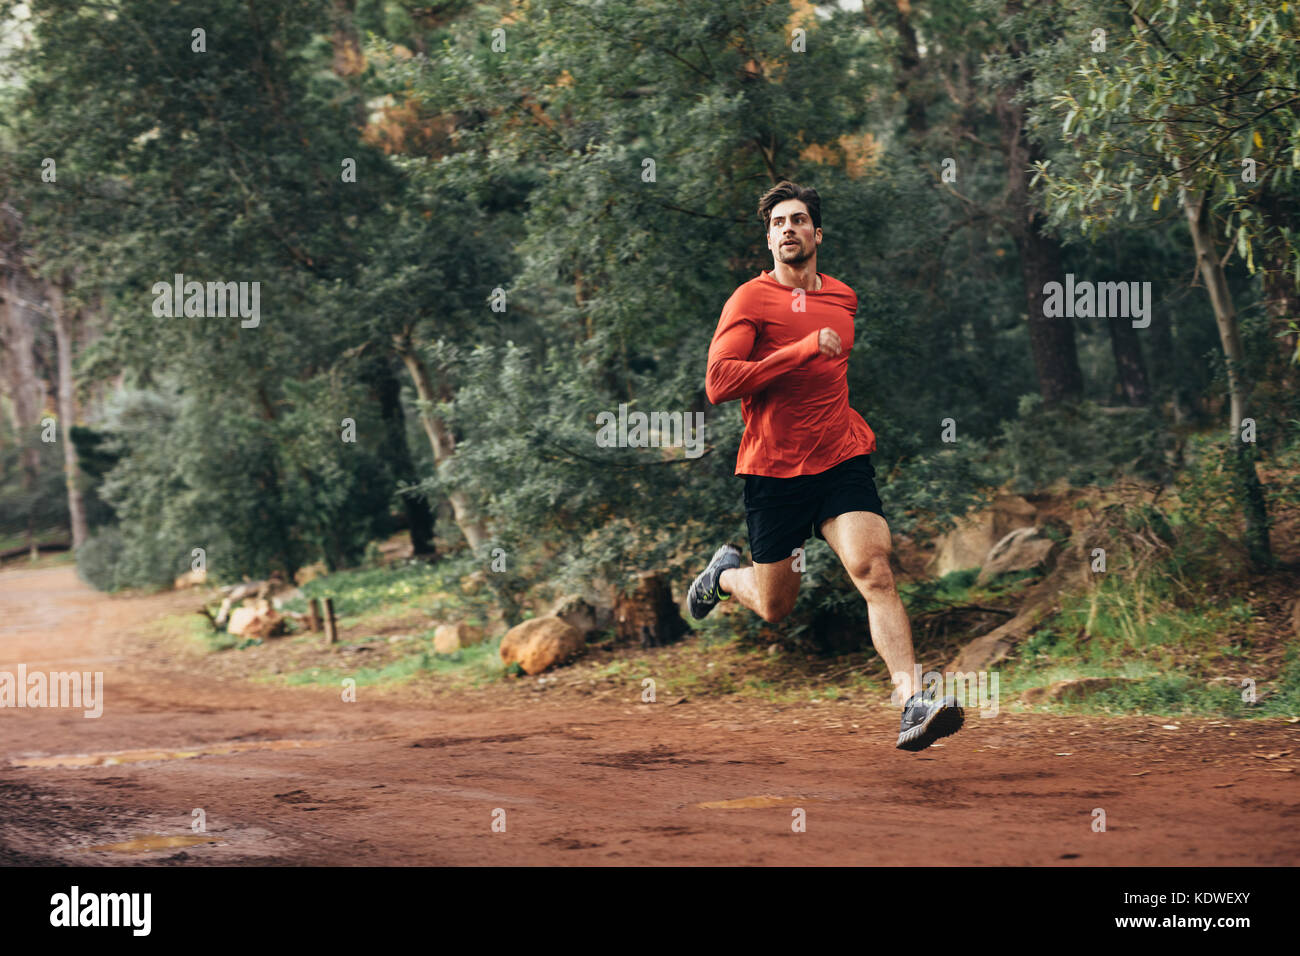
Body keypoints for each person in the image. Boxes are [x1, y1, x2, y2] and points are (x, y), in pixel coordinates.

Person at [687, 180, 963, 752]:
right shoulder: (749, 300)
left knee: (874, 569)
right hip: (772, 473)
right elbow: (718, 383)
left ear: (817, 233)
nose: (788, 228)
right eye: (778, 223)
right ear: (768, 238)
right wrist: (800, 349)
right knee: (774, 606)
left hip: (840, 458)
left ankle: (912, 700)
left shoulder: (843, 297)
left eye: (798, 220)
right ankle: (723, 576)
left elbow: (829, 379)